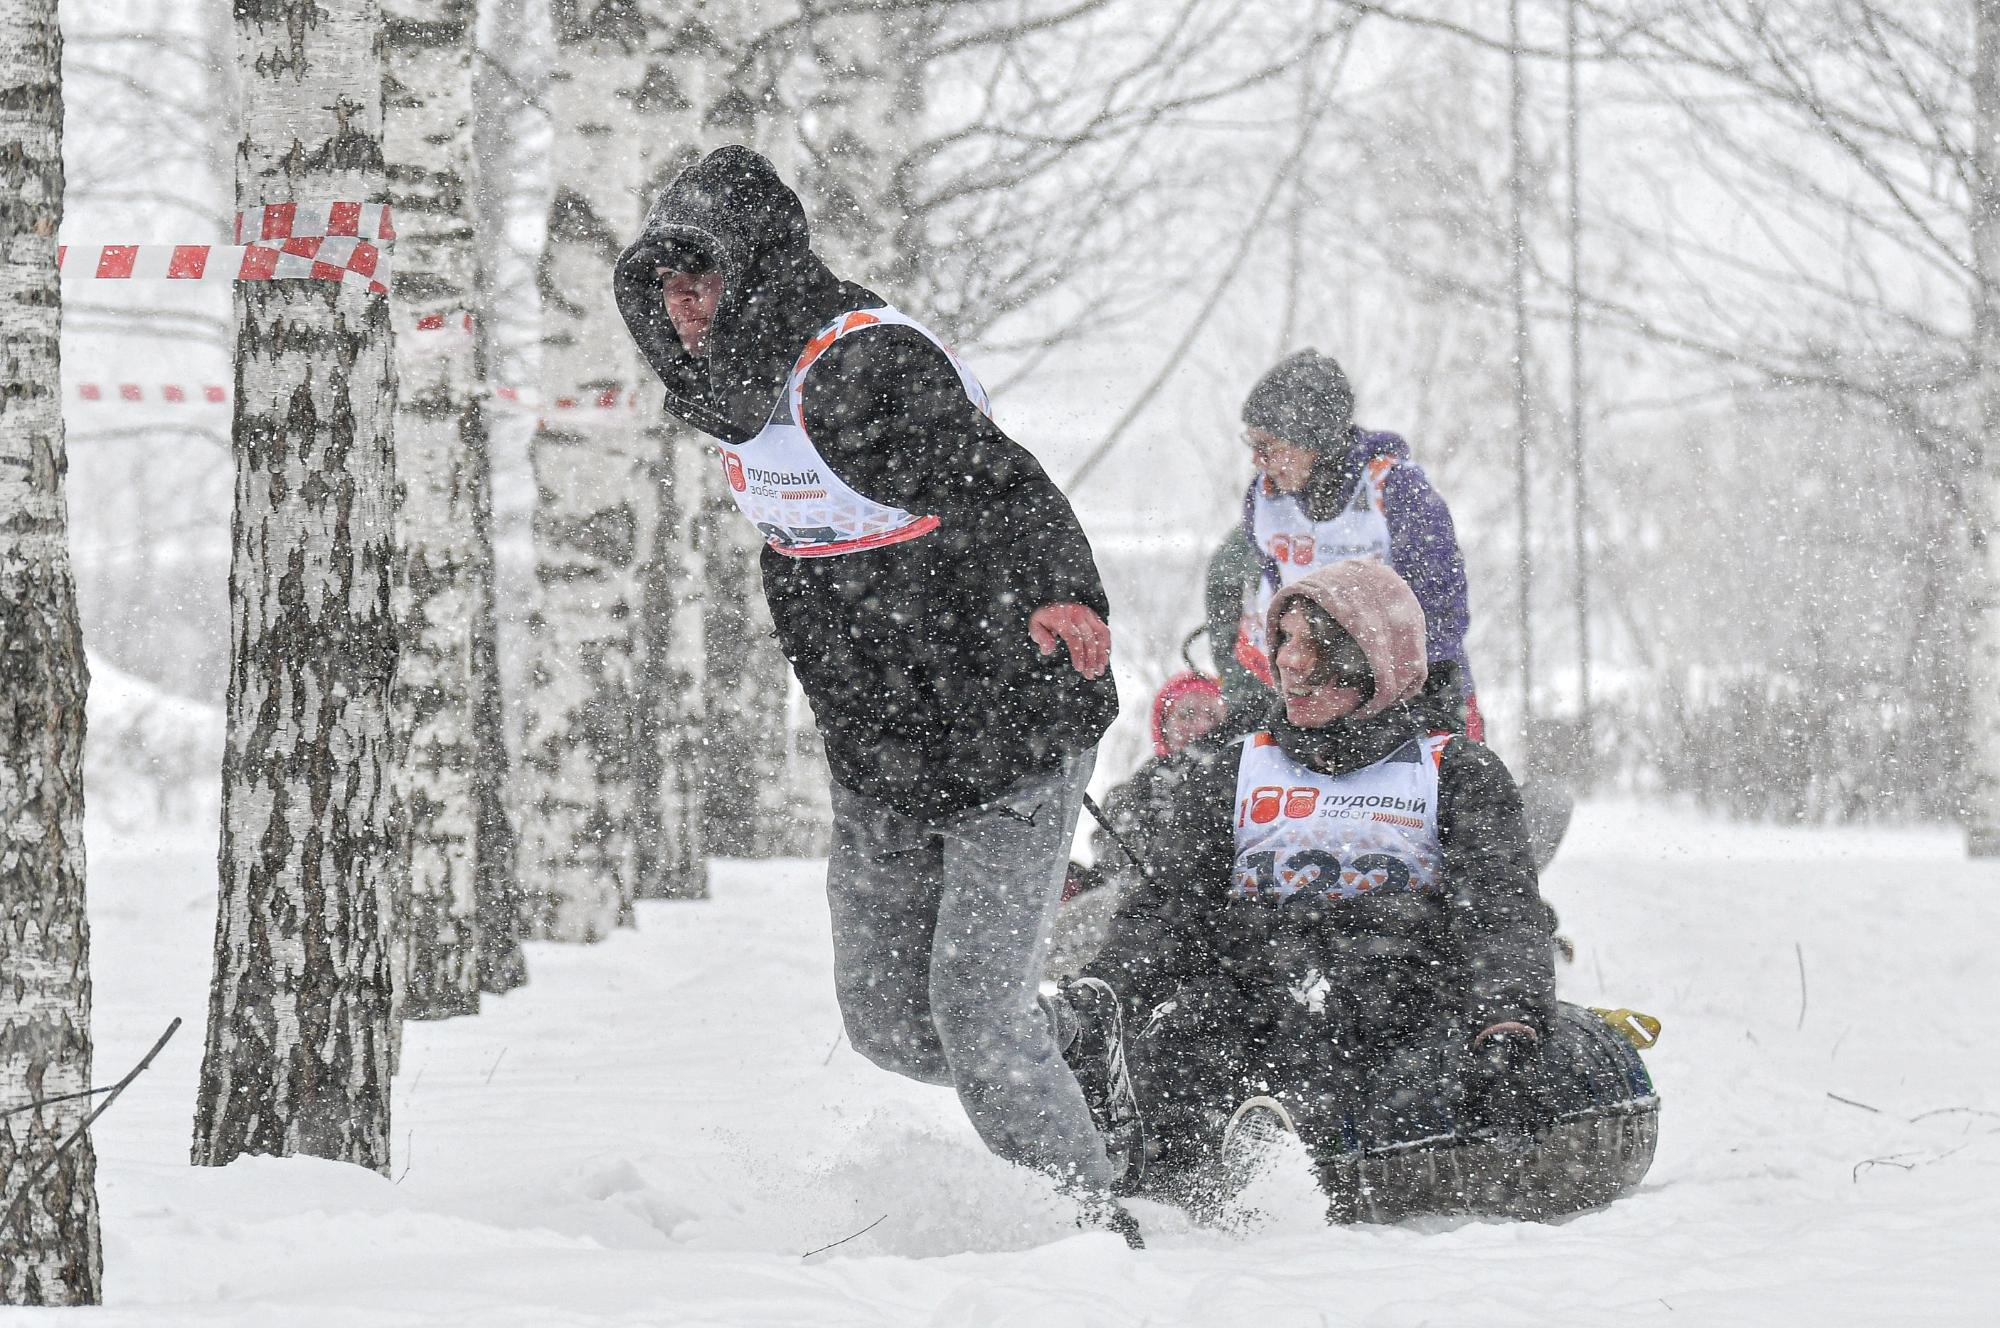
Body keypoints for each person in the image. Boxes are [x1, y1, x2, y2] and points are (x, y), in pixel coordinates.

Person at [613, 147, 1137, 1242]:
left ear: (756, 272)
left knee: (976, 1019)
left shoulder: (866, 363)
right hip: (884, 760)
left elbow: (1006, 482)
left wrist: (1059, 593)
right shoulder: (730, 398)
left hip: (1009, 741)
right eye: (666, 287)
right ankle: (1081, 1045)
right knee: (890, 1026)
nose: (684, 307)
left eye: (702, 281)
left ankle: (1091, 1238)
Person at [1059, 560, 1657, 1224]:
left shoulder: (1452, 774)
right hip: (1248, 1012)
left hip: (1398, 1018)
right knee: (1181, 1046)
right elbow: (1167, 912)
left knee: (1413, 1061)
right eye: (1283, 641)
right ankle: (1226, 1149)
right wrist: (1106, 990)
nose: (1289, 662)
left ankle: (1313, 1150)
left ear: (1370, 658)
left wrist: (1506, 1018)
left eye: (1313, 644)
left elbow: (1500, 916)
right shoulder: (1232, 774)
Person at [1211, 350, 1484, 738]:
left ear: (1312, 439)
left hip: (1410, 693)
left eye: (1270, 446)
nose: (1258, 460)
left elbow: (1439, 607)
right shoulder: (1264, 500)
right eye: (1252, 444)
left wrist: (1421, 700)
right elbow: (1272, 603)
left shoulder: (1394, 489)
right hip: (1312, 695)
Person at [1047, 672, 1227, 979]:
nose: (1200, 726)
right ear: (1164, 726)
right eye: (1188, 714)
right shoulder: (1137, 788)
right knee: (1047, 937)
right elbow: (1115, 859)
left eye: (1212, 715)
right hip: (1140, 903)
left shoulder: (1235, 783)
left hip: (1208, 909)